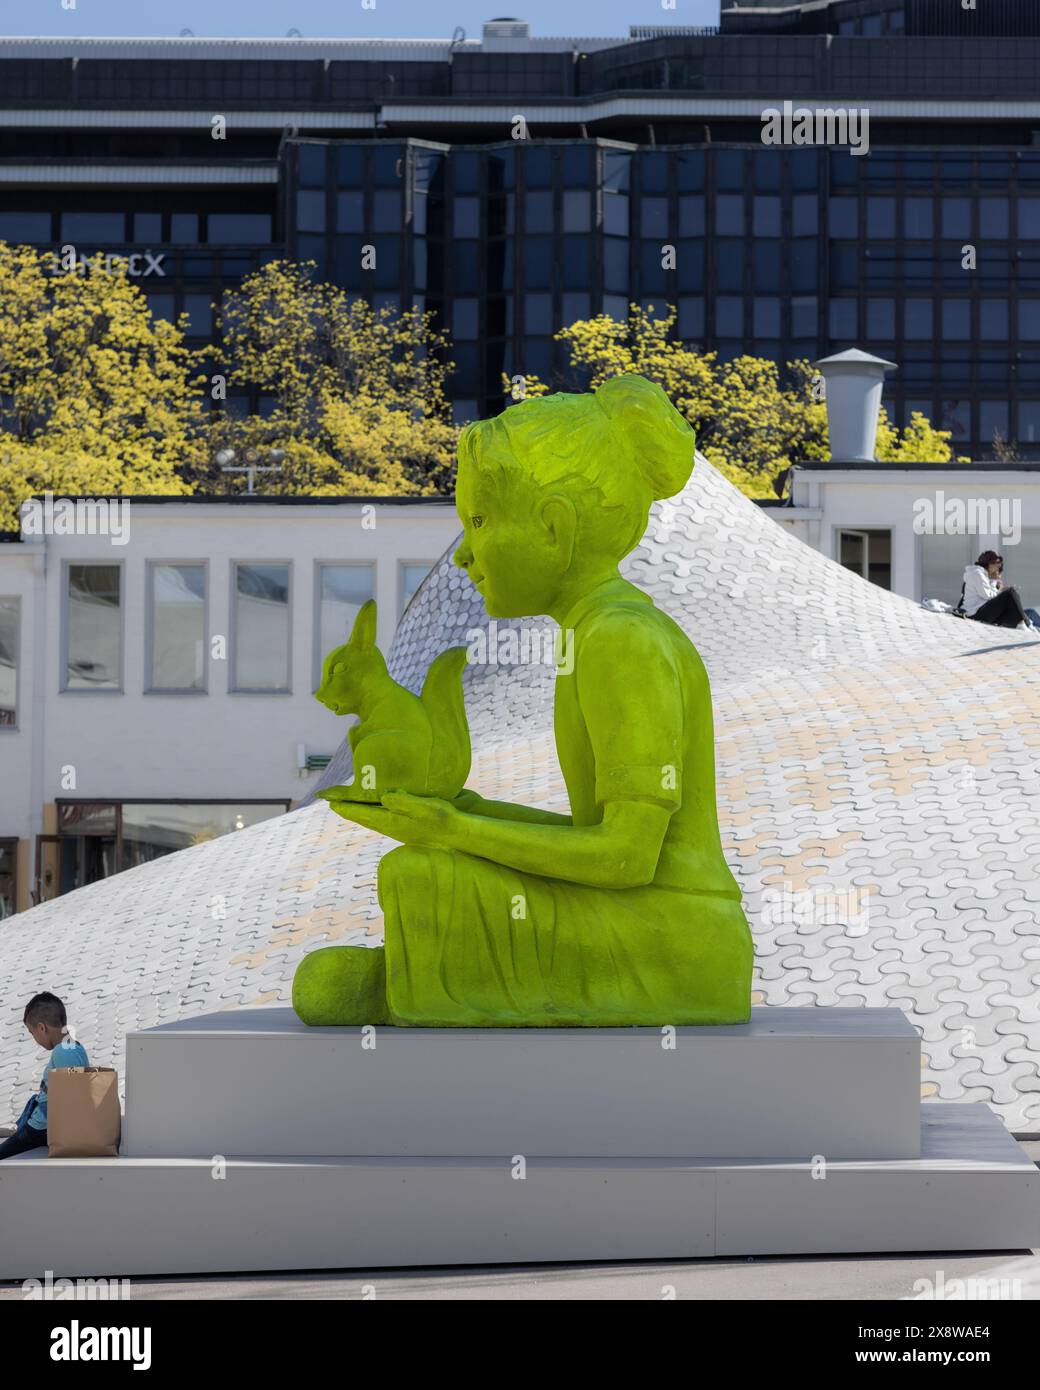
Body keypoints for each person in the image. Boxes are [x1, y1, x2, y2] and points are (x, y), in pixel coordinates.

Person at [294, 374, 754, 1028]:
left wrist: (455, 831)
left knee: (419, 876)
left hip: (675, 937)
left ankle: (414, 980)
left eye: (479, 522)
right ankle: (414, 976)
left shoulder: (621, 641)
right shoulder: (595, 633)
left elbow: (627, 857)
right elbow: (596, 842)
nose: (466, 558)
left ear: (553, 528)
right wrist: (463, 814)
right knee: (426, 867)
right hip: (655, 923)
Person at [0, 993, 88, 1160]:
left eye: (32, 1033)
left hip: (41, 1129)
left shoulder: (64, 1051)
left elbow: (72, 1096)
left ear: (42, 1028)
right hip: (42, 1126)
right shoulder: (71, 1046)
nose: (35, 1039)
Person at [961, 551, 1036, 631]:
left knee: (1013, 599)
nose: (998, 568)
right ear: (989, 563)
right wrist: (997, 586)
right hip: (975, 613)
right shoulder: (977, 574)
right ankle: (1026, 625)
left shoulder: (982, 574)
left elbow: (989, 594)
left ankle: (1028, 625)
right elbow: (988, 596)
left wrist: (999, 588)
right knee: (1010, 592)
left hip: (980, 611)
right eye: (997, 565)